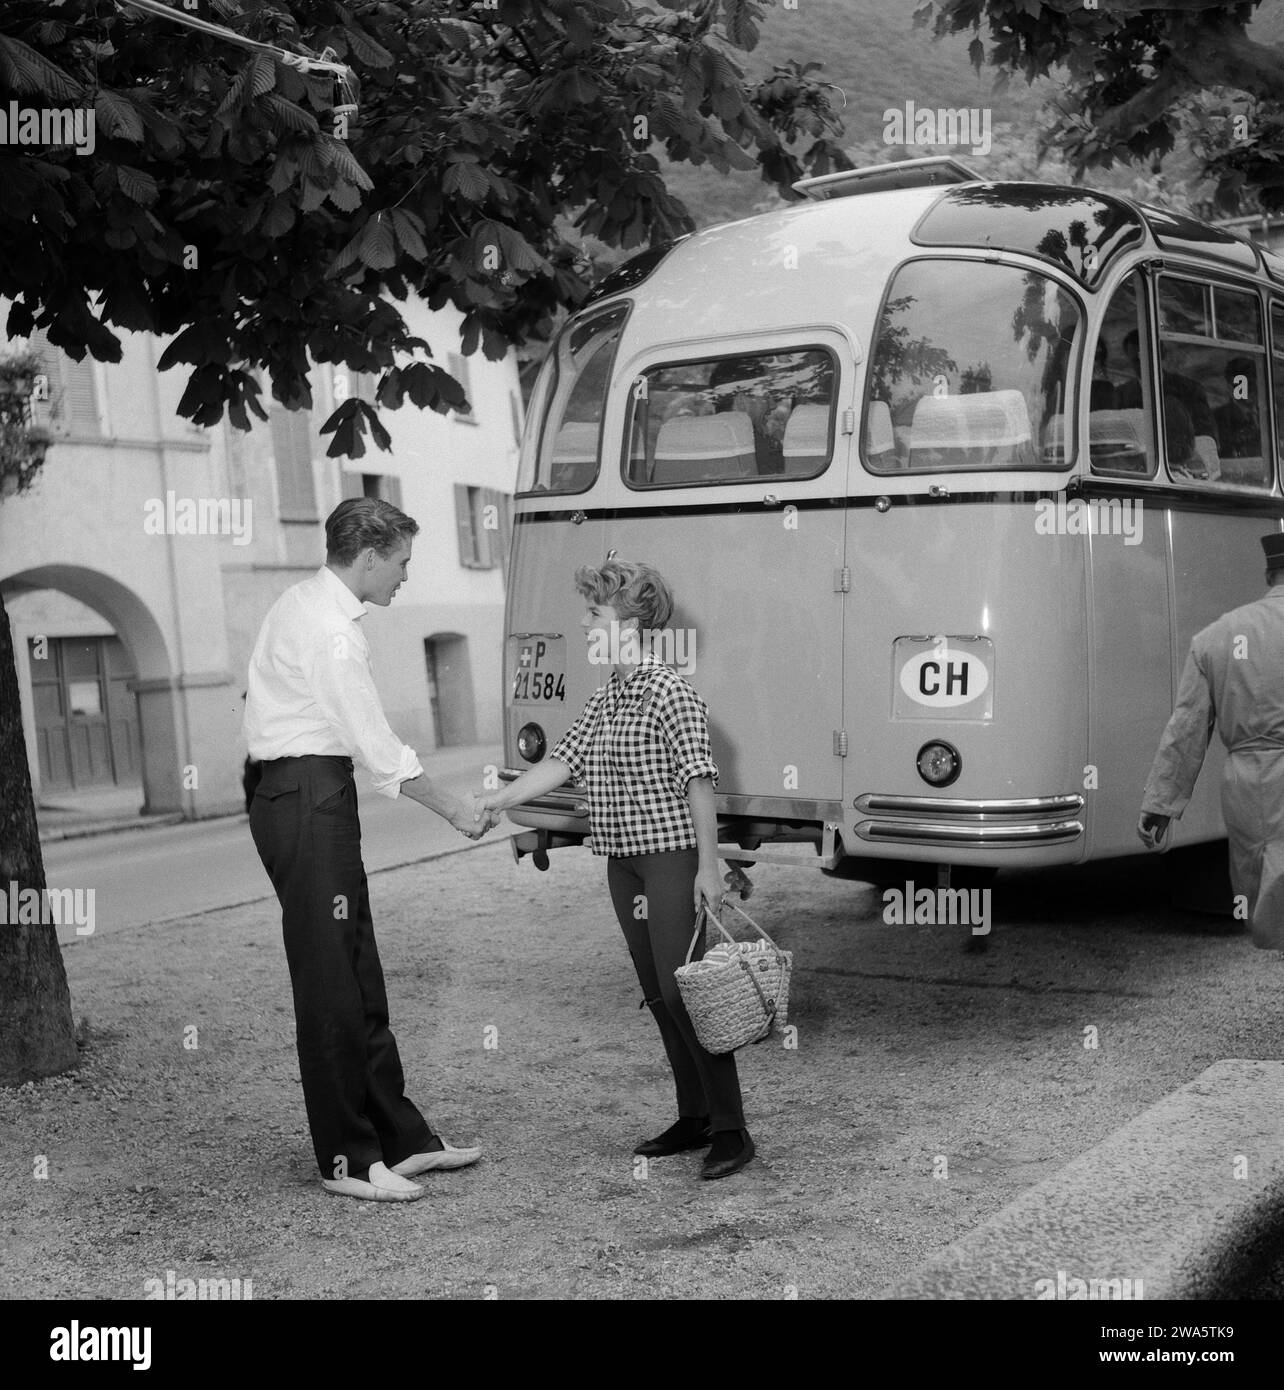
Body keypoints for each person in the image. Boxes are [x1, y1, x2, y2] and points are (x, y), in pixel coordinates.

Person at [244, 497, 495, 1201]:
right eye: (403, 563)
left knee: (357, 970)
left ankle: (400, 1140)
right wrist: (452, 808)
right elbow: (374, 740)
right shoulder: (329, 629)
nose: (406, 578)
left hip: (310, 791)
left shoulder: (304, 603)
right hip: (304, 796)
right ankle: (347, 1162)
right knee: (331, 985)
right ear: (368, 556)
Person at [477, 559, 756, 1180]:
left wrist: (708, 869)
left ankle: (733, 1128)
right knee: (658, 994)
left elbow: (700, 783)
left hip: (671, 859)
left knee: (689, 993)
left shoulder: (669, 691)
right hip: (623, 864)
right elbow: (562, 761)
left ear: (628, 624)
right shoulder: (608, 696)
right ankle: (695, 1115)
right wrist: (498, 802)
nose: (584, 623)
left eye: (594, 614)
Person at [1138, 533, 1284, 950]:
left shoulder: (1218, 636)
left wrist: (1160, 804)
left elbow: (1187, 727)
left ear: (1268, 573)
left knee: (1268, 899)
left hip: (1251, 785)